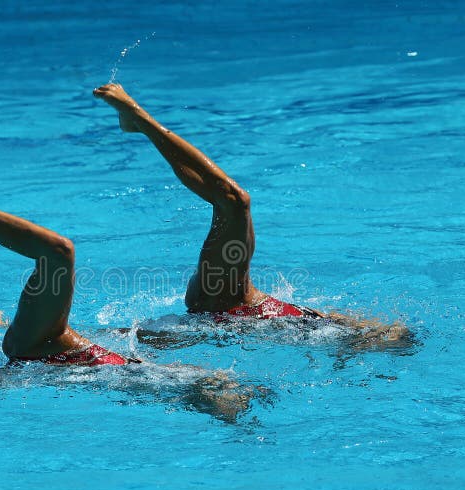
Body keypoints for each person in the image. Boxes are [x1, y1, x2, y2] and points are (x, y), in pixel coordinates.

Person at [0, 175, 260, 422]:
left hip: (45, 346)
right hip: (52, 343)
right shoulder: (155, 377)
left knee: (58, 251)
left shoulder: (131, 377)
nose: (227, 388)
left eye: (225, 394)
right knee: (58, 251)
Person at [93, 84, 412, 351]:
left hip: (227, 301)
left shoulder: (326, 330)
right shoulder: (332, 325)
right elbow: (388, 332)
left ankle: (140, 120)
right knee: (232, 200)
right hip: (233, 301)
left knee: (234, 200)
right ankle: (138, 121)